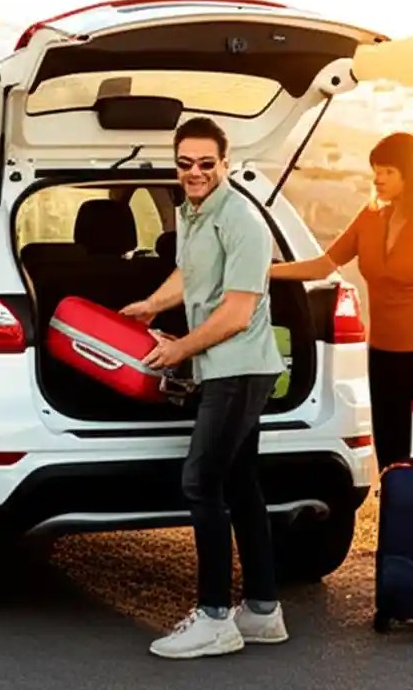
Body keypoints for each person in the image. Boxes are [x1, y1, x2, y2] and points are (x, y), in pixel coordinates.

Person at [120, 117, 288, 659]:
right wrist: (151, 304)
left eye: (205, 164)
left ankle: (215, 618)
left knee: (201, 483)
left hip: (238, 367)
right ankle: (262, 610)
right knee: (240, 485)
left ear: (225, 162)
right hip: (223, 366)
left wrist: (180, 348)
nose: (194, 172)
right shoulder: (192, 212)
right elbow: (190, 276)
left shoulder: (242, 220)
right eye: (185, 163)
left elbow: (237, 313)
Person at [267, 131, 413, 470]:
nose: (378, 178)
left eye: (387, 171)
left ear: (411, 174)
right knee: (390, 458)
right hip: (383, 357)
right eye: (376, 170)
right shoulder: (371, 217)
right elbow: (322, 265)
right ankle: (398, 523)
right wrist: (264, 271)